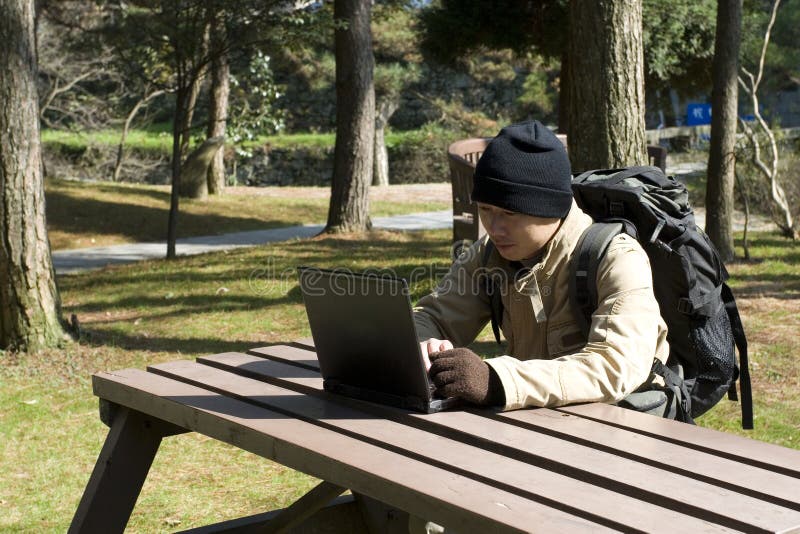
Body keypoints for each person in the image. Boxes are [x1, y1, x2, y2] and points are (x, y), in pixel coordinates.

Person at [414, 120, 670, 414]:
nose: (494, 228)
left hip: (623, 431)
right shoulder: (488, 256)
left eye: (510, 212)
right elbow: (436, 316)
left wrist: (497, 381)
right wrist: (419, 345)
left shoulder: (618, 259)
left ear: (552, 209)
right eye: (485, 209)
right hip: (535, 426)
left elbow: (614, 366)